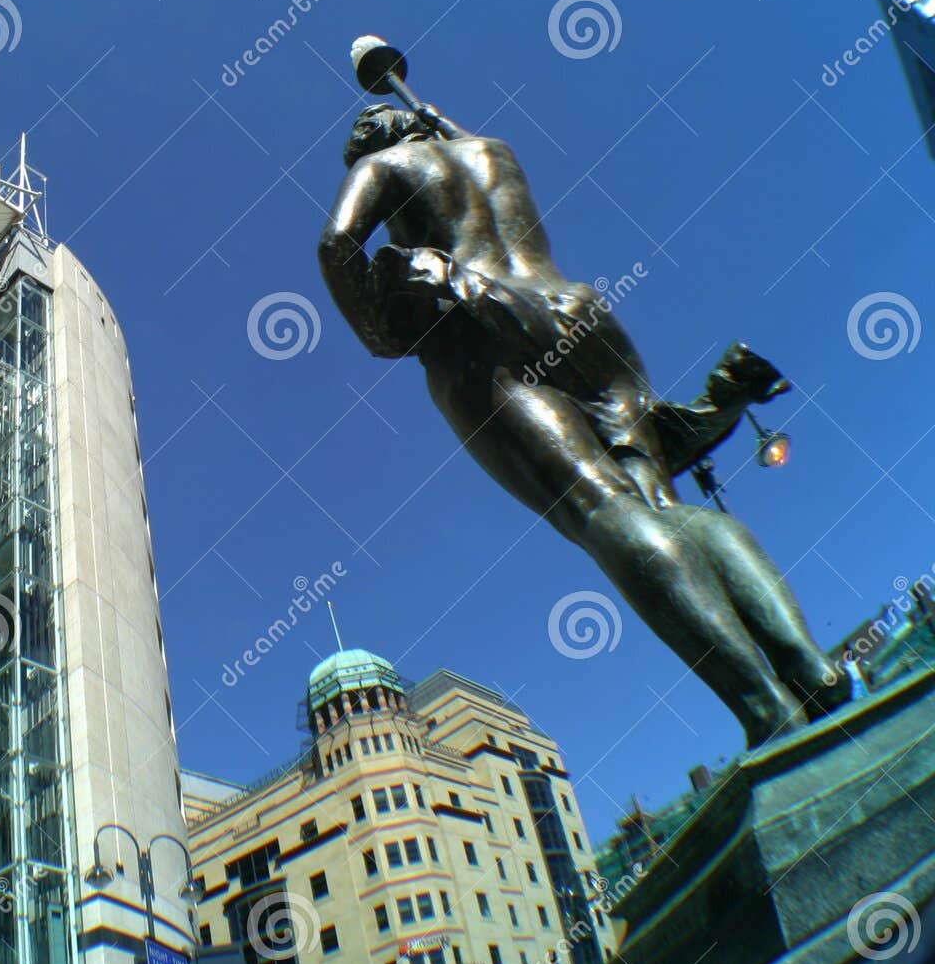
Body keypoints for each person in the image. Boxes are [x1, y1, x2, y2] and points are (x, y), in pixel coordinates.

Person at [317, 103, 846, 747]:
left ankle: (768, 708)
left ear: (375, 137)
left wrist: (378, 330)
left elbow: (337, 242)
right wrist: (434, 116)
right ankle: (811, 668)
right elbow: (461, 138)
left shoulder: (382, 165)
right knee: (662, 499)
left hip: (475, 321)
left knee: (600, 508)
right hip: (576, 310)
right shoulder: (496, 150)